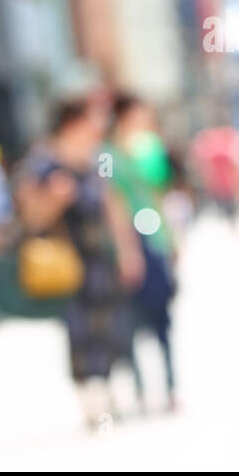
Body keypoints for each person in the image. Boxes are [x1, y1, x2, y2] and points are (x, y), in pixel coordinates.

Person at [15, 96, 144, 431]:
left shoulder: (97, 160)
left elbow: (114, 209)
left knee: (111, 326)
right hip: (68, 260)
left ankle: (108, 390)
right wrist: (54, 200)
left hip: (100, 258)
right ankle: (90, 398)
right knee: (79, 330)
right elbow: (30, 218)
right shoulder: (43, 164)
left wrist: (128, 251)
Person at [106, 92, 179, 414]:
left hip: (155, 237)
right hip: (130, 242)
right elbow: (114, 204)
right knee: (131, 318)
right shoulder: (108, 156)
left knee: (162, 315)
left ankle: (170, 387)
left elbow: (160, 195)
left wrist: (173, 238)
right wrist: (126, 250)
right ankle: (138, 389)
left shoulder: (150, 149)